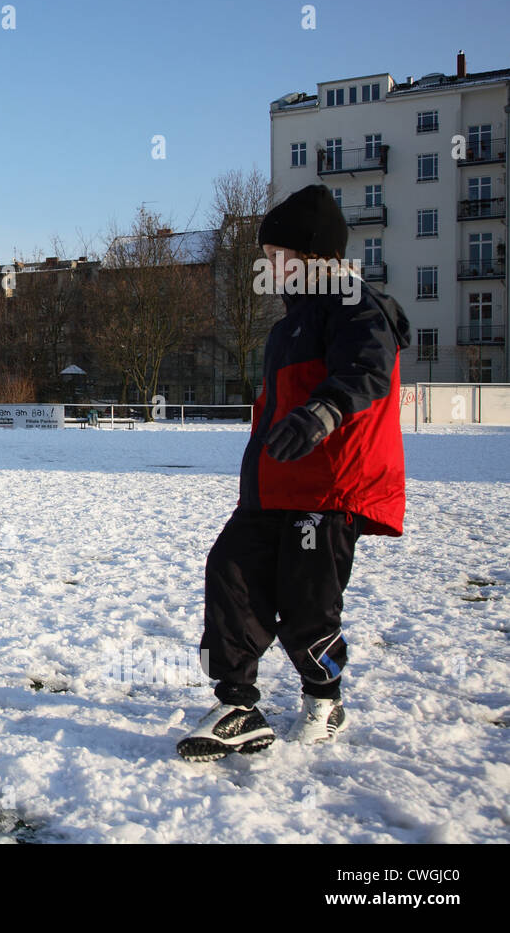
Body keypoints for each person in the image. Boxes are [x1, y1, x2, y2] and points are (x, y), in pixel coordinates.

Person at [177, 183, 411, 762]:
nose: (267, 265)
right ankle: (238, 705)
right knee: (230, 575)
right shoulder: (286, 327)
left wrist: (323, 411)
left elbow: (368, 369)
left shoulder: (357, 303)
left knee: (308, 608)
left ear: (312, 256)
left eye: (275, 255)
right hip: (271, 490)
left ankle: (324, 698)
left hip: (328, 490)